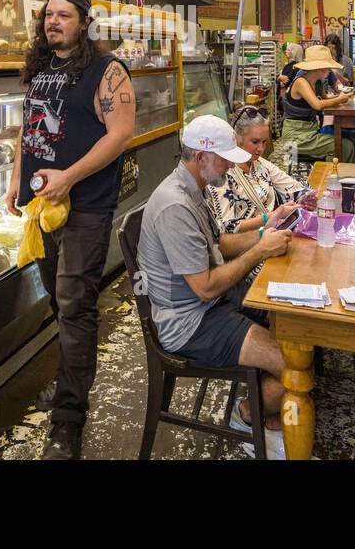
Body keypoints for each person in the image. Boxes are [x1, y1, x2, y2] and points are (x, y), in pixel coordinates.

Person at [4, 0, 137, 460]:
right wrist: (18, 179)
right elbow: (31, 125)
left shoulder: (108, 71)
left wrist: (69, 177)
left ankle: (68, 421)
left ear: (82, 22)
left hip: (85, 207)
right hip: (42, 208)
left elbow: (121, 134)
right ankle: (68, 384)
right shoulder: (42, 68)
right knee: (60, 307)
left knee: (75, 307)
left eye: (63, 15)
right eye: (47, 16)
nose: (52, 22)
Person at [138, 116, 294, 456]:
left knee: (292, 320)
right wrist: (258, 251)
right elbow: (205, 288)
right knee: (293, 363)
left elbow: (220, 244)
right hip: (189, 322)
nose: (230, 166)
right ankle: (248, 416)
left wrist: (265, 235)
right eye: (224, 158)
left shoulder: (195, 188)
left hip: (210, 304)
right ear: (201, 157)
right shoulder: (176, 206)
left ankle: (271, 415)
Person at [204, 106, 310, 286]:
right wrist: (267, 218)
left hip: (272, 242)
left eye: (265, 142)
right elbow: (227, 229)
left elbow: (294, 187)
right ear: (236, 139)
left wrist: (306, 198)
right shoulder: (222, 175)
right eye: (255, 142)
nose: (261, 148)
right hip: (248, 256)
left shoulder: (260, 165)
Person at [281, 45, 355, 162]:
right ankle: (329, 176)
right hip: (296, 136)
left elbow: (325, 98)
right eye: (325, 68)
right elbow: (317, 104)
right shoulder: (301, 82)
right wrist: (339, 99)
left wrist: (343, 96)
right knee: (345, 145)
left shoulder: (317, 82)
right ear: (317, 68)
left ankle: (349, 177)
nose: (328, 71)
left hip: (309, 132)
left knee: (354, 141)